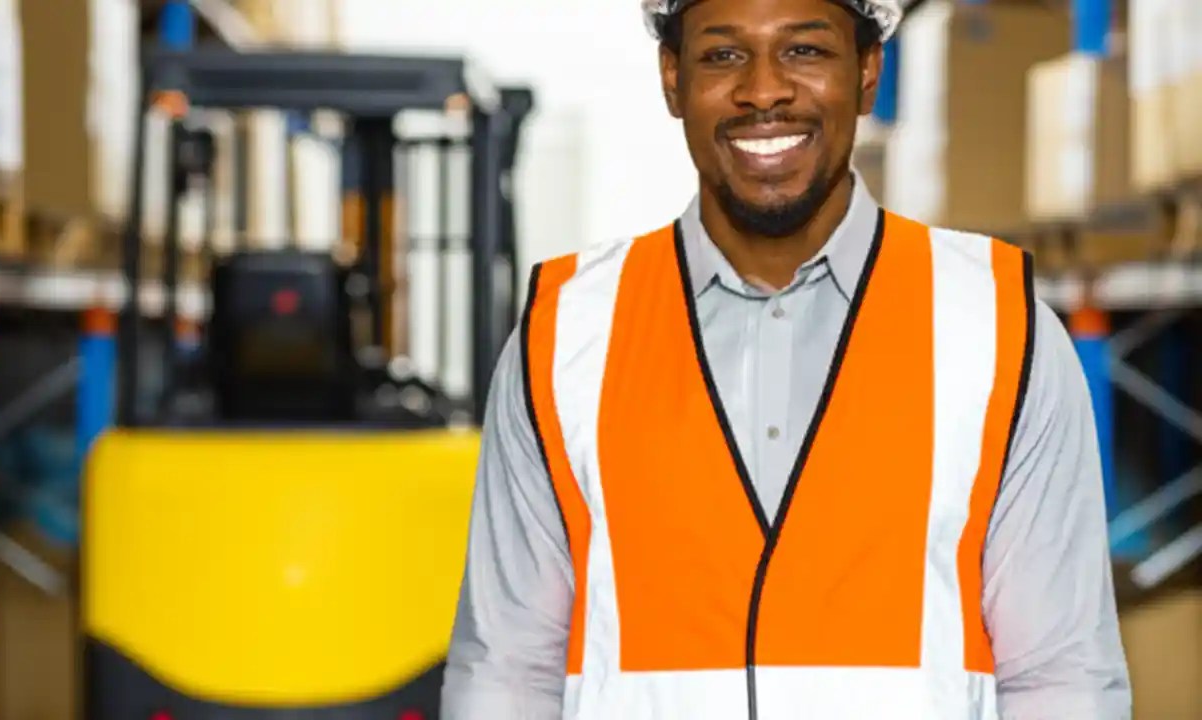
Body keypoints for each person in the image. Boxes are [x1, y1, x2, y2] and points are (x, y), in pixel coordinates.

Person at [440, 0, 1132, 717]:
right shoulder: (567, 335)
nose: (764, 89)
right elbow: (506, 671)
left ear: (868, 70)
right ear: (671, 76)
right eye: (723, 55)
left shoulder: (998, 328)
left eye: (804, 51)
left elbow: (1062, 677)